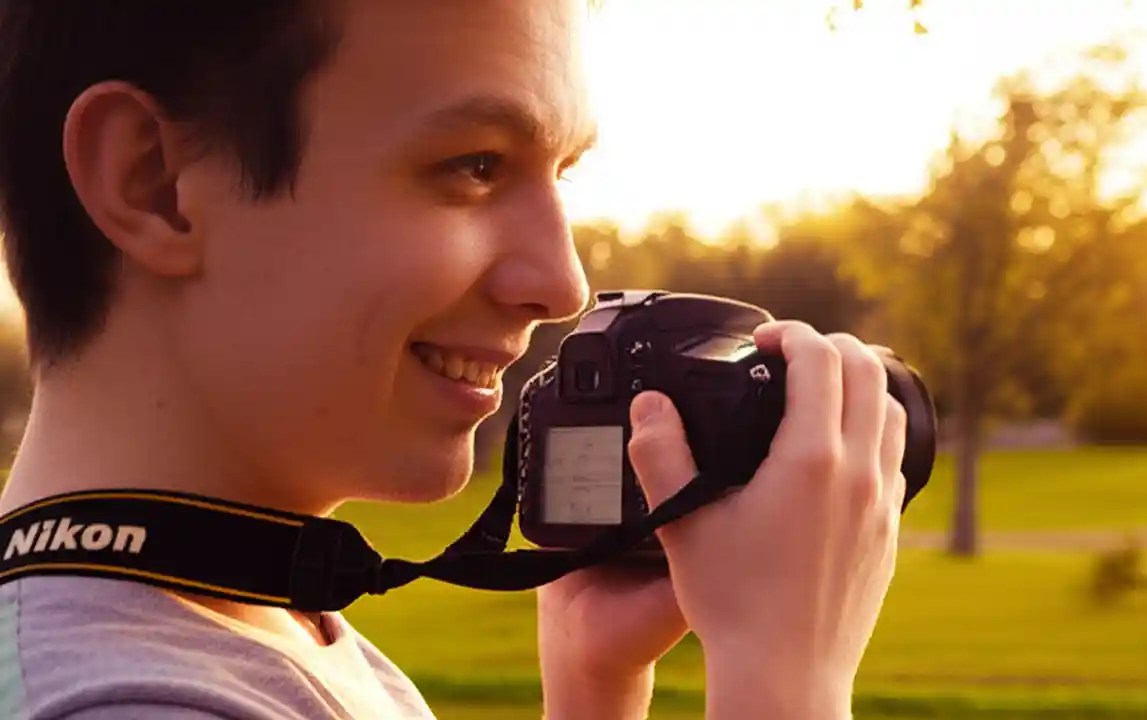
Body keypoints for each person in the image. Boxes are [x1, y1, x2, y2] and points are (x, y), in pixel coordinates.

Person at [0, 1, 908, 718]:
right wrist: (781, 683)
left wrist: (595, 687)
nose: (564, 284)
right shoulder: (131, 701)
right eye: (475, 166)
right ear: (154, 183)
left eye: (558, 176)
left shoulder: (241, 631)